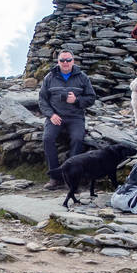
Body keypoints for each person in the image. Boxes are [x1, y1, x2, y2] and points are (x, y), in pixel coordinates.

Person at [38, 52, 98, 189]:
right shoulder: (50, 77)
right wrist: (51, 114)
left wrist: (76, 100)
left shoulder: (82, 77)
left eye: (68, 60)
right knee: (47, 139)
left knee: (77, 139)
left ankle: (71, 177)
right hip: (55, 117)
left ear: (73, 61)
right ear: (58, 61)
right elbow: (42, 99)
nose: (65, 62)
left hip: (75, 117)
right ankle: (55, 178)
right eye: (62, 60)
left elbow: (91, 98)